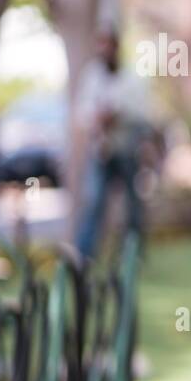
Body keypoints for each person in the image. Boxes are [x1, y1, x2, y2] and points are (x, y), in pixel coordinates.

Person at [74, 29, 153, 259]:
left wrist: (119, 115)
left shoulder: (132, 79)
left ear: (116, 48)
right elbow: (82, 113)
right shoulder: (92, 77)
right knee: (94, 202)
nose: (104, 51)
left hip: (127, 150)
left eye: (108, 45)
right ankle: (85, 254)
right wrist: (98, 118)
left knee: (133, 205)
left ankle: (133, 253)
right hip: (101, 151)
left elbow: (142, 114)